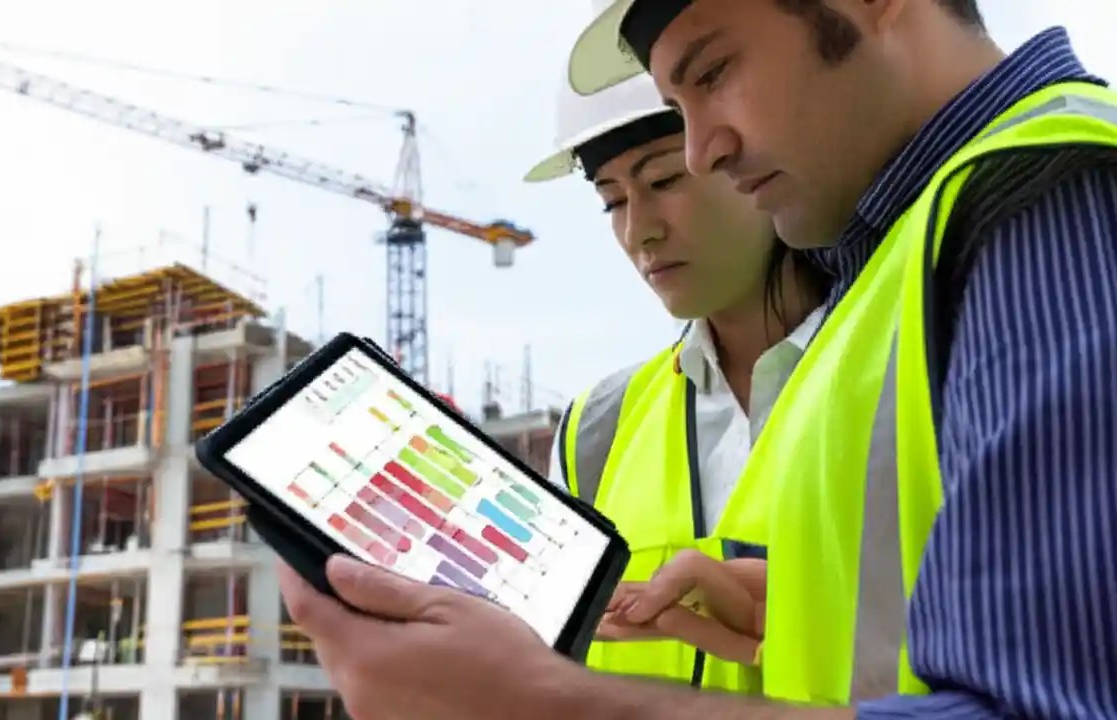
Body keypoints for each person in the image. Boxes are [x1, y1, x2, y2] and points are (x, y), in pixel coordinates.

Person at [268, 1, 1117, 718]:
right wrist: (792, 607)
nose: (707, 147)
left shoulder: (1045, 194)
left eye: (713, 73)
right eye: (612, 198)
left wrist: (540, 701)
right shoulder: (904, 272)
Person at [524, 45, 827, 686]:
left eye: (663, 181)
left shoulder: (903, 363)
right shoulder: (596, 430)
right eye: (612, 201)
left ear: (747, 157)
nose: (639, 231)